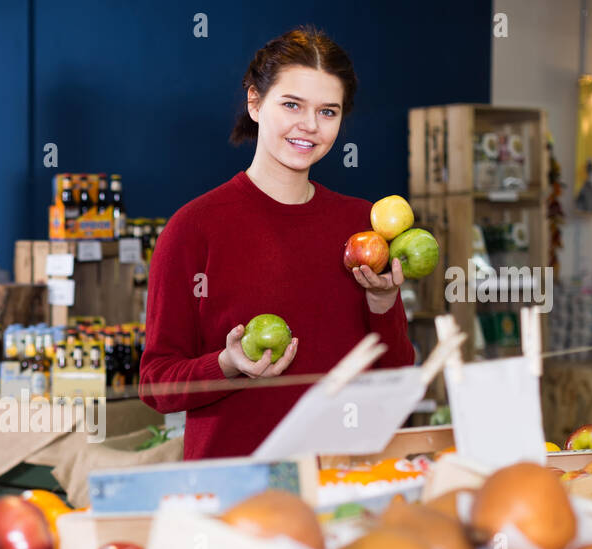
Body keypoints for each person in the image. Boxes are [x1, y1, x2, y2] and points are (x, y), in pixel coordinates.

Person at [140, 27, 415, 460]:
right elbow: (157, 383)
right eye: (292, 105)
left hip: (346, 480)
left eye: (328, 111)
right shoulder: (192, 228)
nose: (309, 125)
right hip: (236, 490)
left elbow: (397, 375)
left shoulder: (364, 226)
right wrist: (227, 366)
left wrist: (382, 305)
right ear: (254, 101)